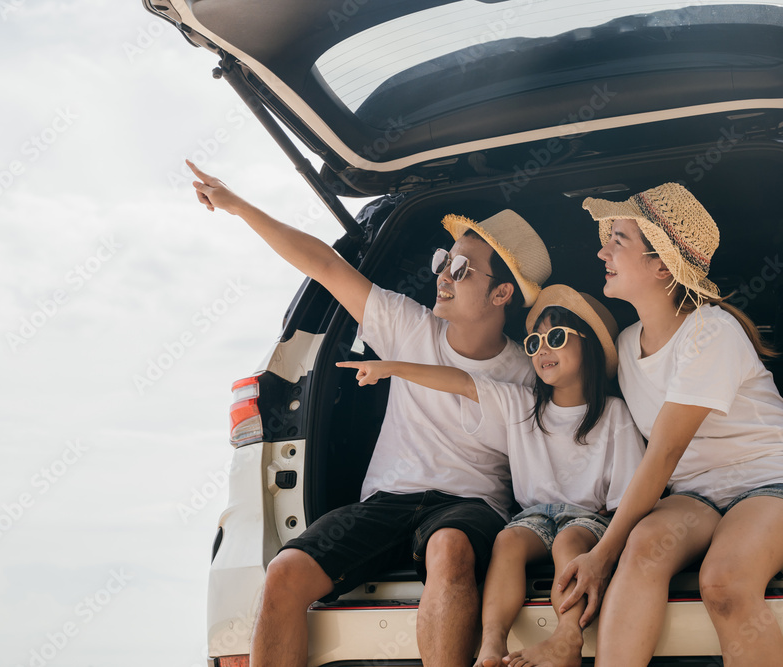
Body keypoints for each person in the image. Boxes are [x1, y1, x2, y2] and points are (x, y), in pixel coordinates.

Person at [187, 159, 552, 667]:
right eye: (445, 260)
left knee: (449, 548)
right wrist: (236, 204)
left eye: (462, 269)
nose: (444, 275)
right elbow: (325, 265)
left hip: (470, 507)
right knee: (285, 572)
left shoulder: (530, 370)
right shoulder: (408, 324)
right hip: (388, 501)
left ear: (502, 293)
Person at [338, 285, 644, 667]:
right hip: (532, 518)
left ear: (590, 347)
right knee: (508, 543)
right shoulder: (522, 405)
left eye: (556, 337)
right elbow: (461, 382)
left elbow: (628, 498)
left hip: (588, 517)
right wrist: (392, 368)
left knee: (569, 541)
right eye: (533, 343)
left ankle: (567, 637)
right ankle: (492, 645)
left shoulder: (614, 414)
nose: (542, 349)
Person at [554, 182, 783, 667]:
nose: (602, 251)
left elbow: (663, 453)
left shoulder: (711, 330)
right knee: (642, 550)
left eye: (618, 240)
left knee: (723, 581)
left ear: (662, 265)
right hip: (695, 494)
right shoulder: (627, 343)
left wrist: (600, 556)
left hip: (767, 482)